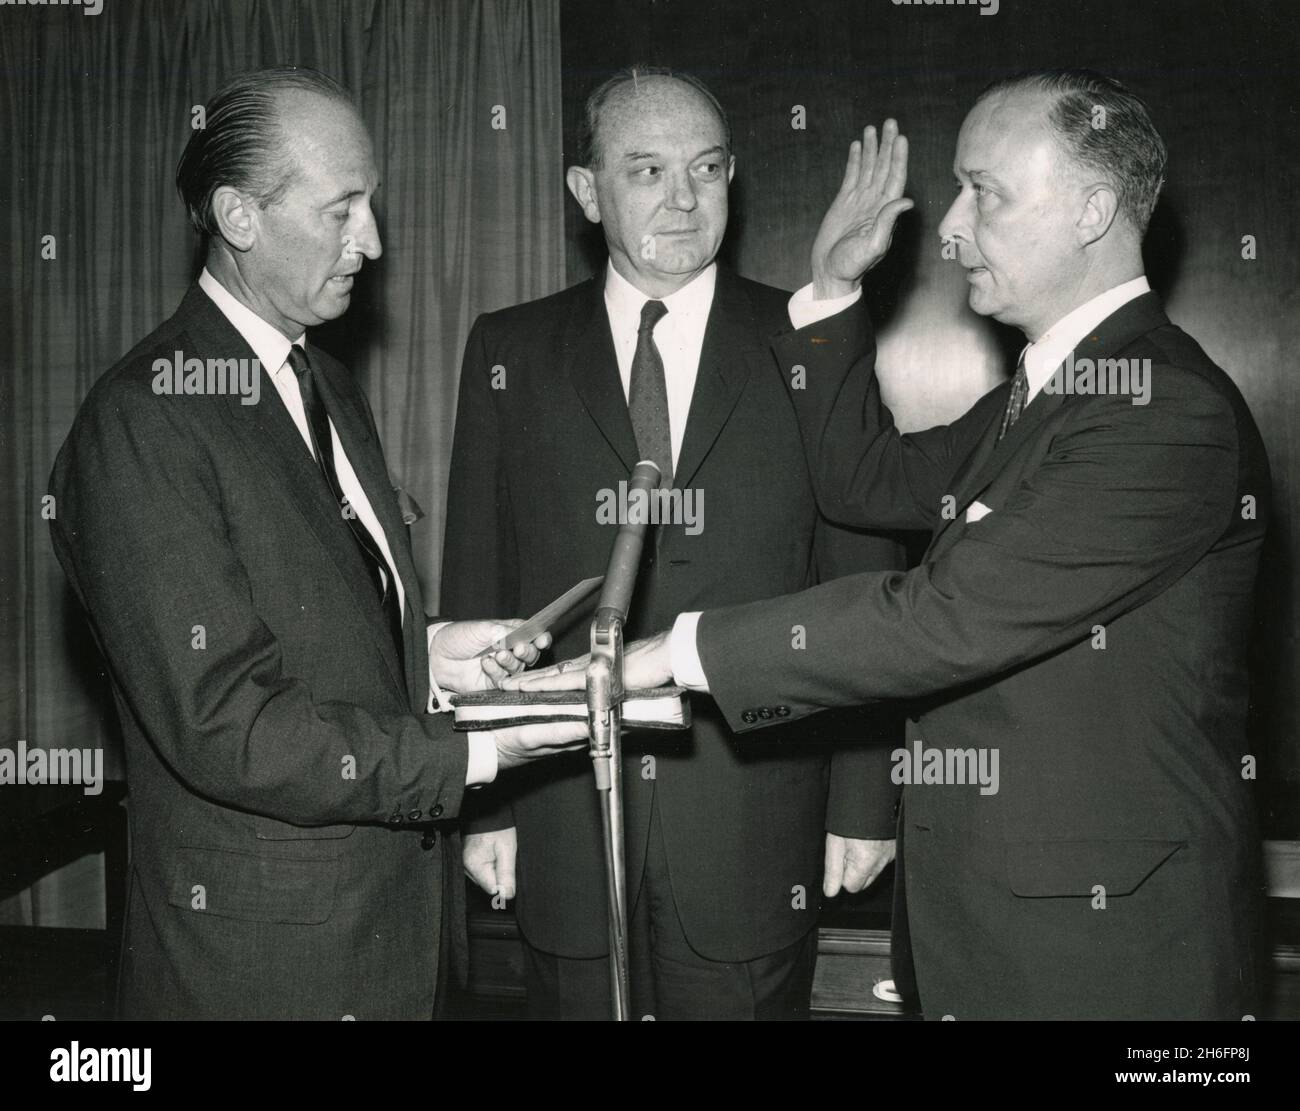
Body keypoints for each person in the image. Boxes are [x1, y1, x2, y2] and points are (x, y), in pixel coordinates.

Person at [513, 69, 1270, 1020]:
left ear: (1093, 210)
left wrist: (676, 650)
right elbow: (863, 481)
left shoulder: (1162, 410)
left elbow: (943, 617)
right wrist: (833, 288)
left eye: (983, 193)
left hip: (1108, 953)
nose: (949, 227)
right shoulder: (1043, 397)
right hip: (993, 932)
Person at [48, 66, 585, 1020]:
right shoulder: (142, 422)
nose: (372, 242)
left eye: (370, 206)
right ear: (238, 216)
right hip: (264, 966)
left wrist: (435, 658)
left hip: (392, 937)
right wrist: (475, 747)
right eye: (342, 211)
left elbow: (330, 633)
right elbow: (227, 724)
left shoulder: (326, 383)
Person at [441, 66, 907, 1020]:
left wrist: (864, 798)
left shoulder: (806, 338)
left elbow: (863, 575)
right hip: (562, 810)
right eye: (647, 170)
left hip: (754, 823)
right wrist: (483, 800)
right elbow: (477, 580)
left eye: (706, 167)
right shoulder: (508, 350)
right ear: (586, 191)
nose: (684, 199)